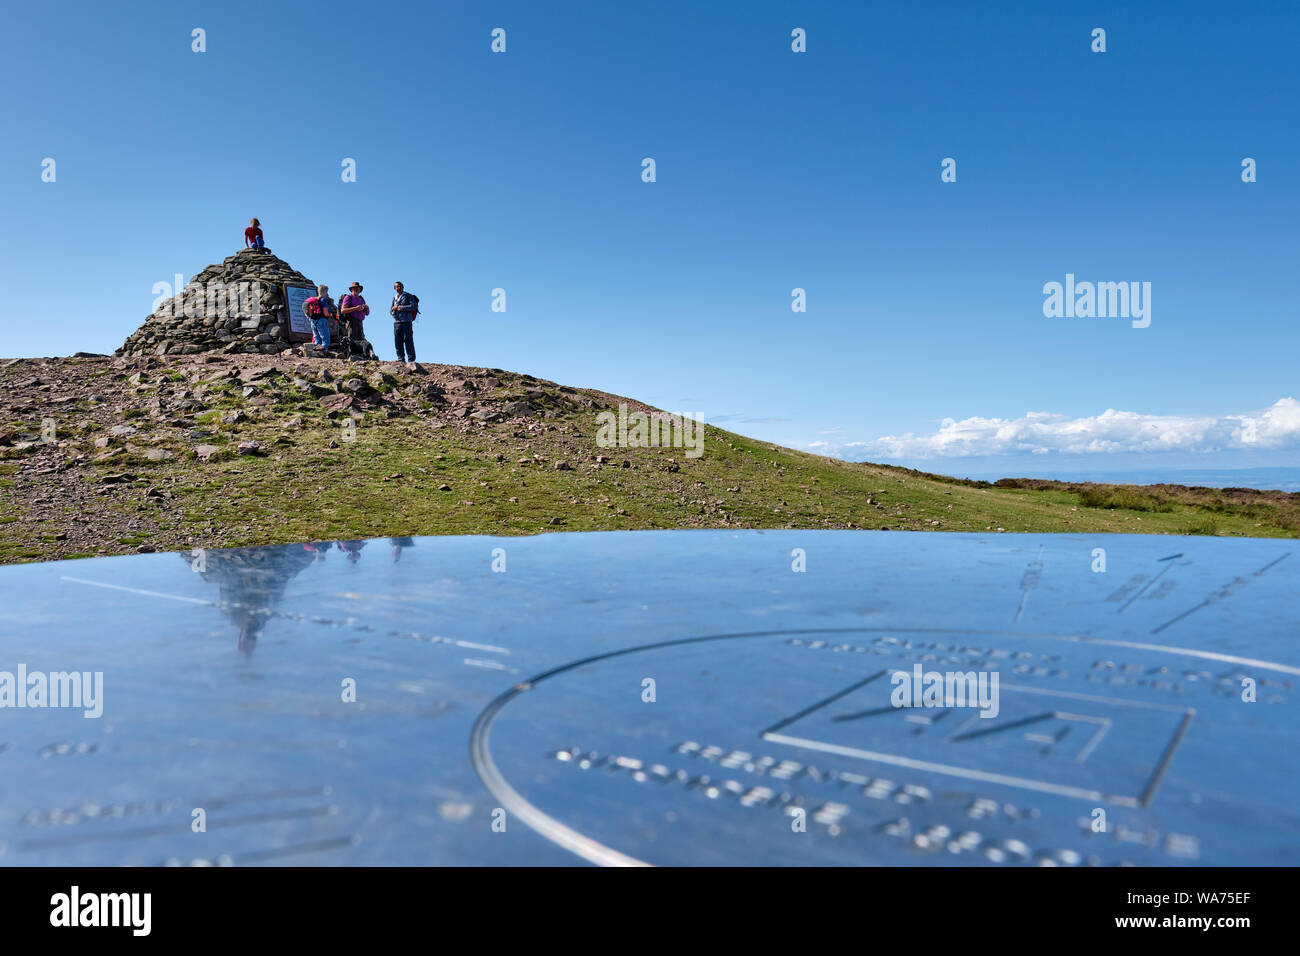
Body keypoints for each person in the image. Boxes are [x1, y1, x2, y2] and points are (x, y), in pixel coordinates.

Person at [302, 284, 337, 351]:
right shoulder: (323, 300)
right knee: (325, 338)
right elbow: (325, 313)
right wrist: (331, 315)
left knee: (316, 337)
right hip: (321, 320)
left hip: (313, 321)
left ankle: (315, 351)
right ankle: (324, 351)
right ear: (326, 292)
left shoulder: (315, 300)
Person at [390, 281, 418, 363]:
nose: (398, 288)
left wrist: (401, 307)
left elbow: (414, 306)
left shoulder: (408, 296)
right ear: (394, 288)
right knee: (398, 341)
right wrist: (393, 311)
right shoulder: (394, 298)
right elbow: (390, 309)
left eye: (400, 286)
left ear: (403, 287)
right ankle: (400, 358)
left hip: (406, 321)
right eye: (396, 287)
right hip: (397, 322)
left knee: (408, 340)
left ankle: (411, 359)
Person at [338, 282, 369, 348]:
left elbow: (367, 313)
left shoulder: (361, 299)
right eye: (354, 288)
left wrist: (367, 308)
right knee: (352, 339)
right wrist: (355, 308)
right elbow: (343, 310)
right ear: (351, 289)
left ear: (360, 289)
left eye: (358, 288)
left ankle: (359, 355)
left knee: (360, 339)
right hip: (351, 321)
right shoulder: (348, 297)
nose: (356, 289)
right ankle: (352, 354)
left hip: (360, 321)